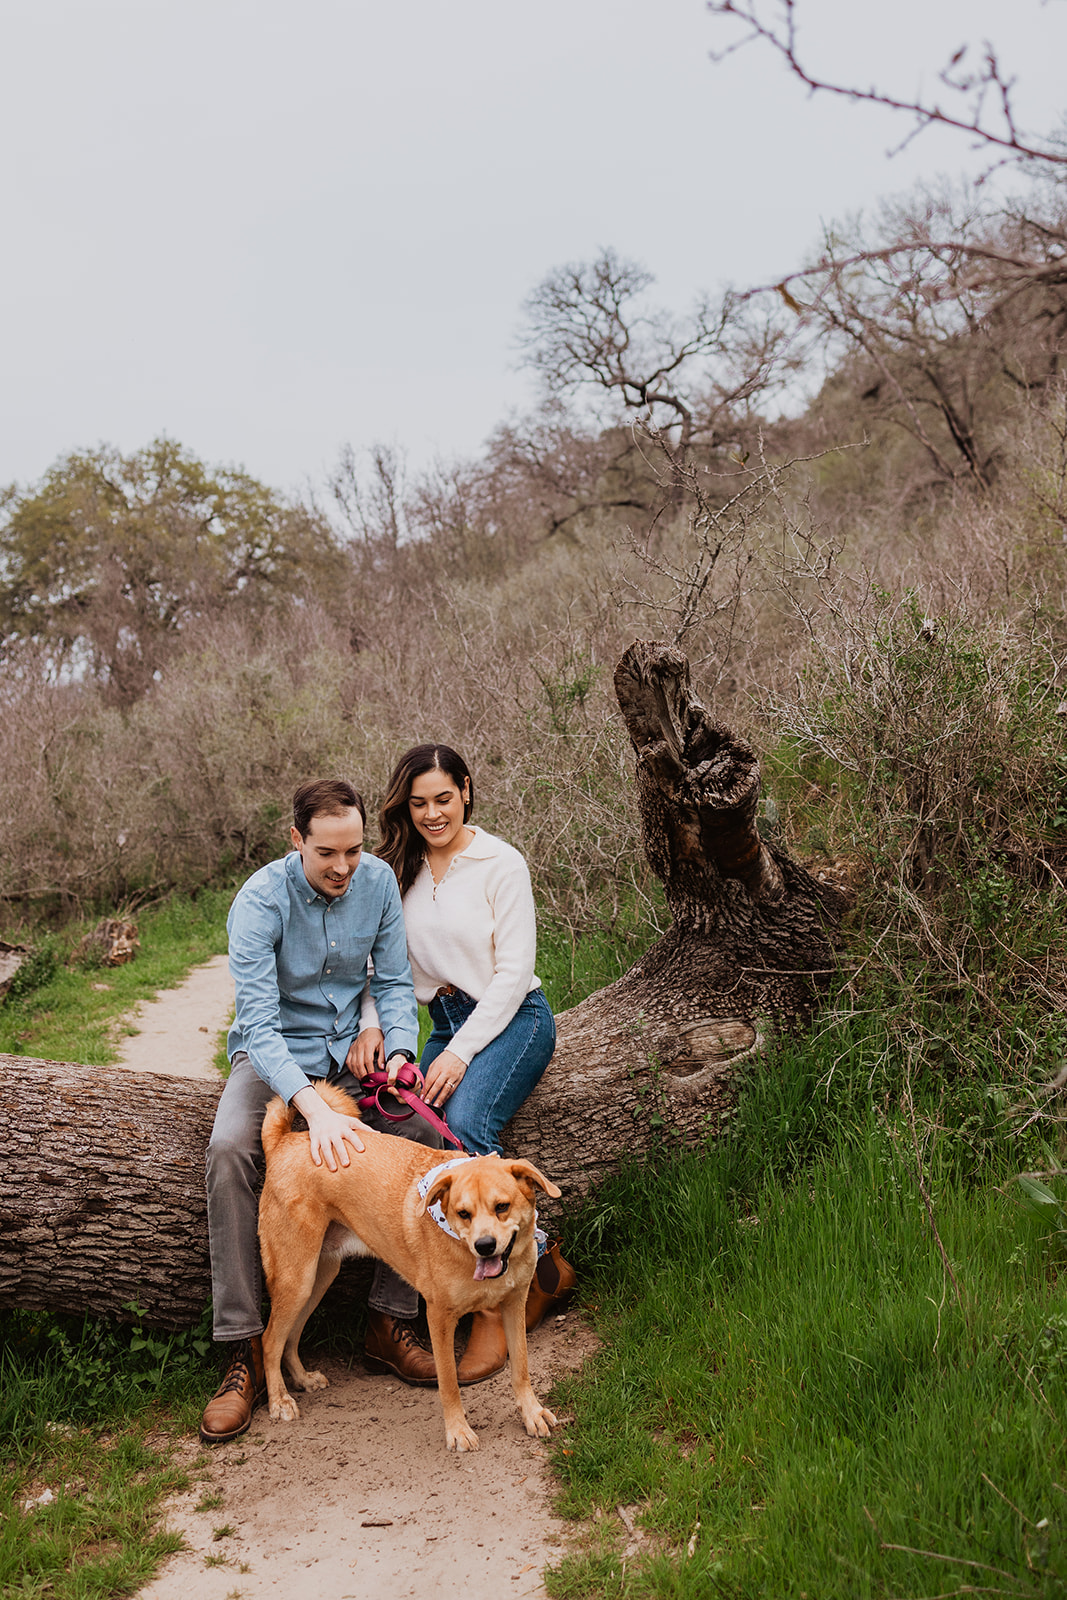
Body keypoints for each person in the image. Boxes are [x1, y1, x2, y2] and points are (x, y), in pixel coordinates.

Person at [199, 778, 445, 1445]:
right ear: (296, 841)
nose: (343, 867)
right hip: (272, 1058)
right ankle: (243, 1351)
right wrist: (314, 1108)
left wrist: (397, 1049)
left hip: (351, 1056)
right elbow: (258, 1023)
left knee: (420, 1135)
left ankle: (389, 1321)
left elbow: (394, 983)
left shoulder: (377, 884)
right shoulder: (259, 900)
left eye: (353, 851)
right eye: (327, 853)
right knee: (229, 1151)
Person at [365, 743, 576, 1384]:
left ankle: (496, 1302)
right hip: (443, 1017)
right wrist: (379, 1029)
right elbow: (382, 968)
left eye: (444, 798)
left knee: (464, 1127)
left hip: (514, 1018)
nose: (433, 814)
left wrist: (460, 1053)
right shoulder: (394, 871)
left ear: (466, 790)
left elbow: (513, 973)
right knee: (408, 1129)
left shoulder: (499, 862)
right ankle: (545, 1267)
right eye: (418, 803)